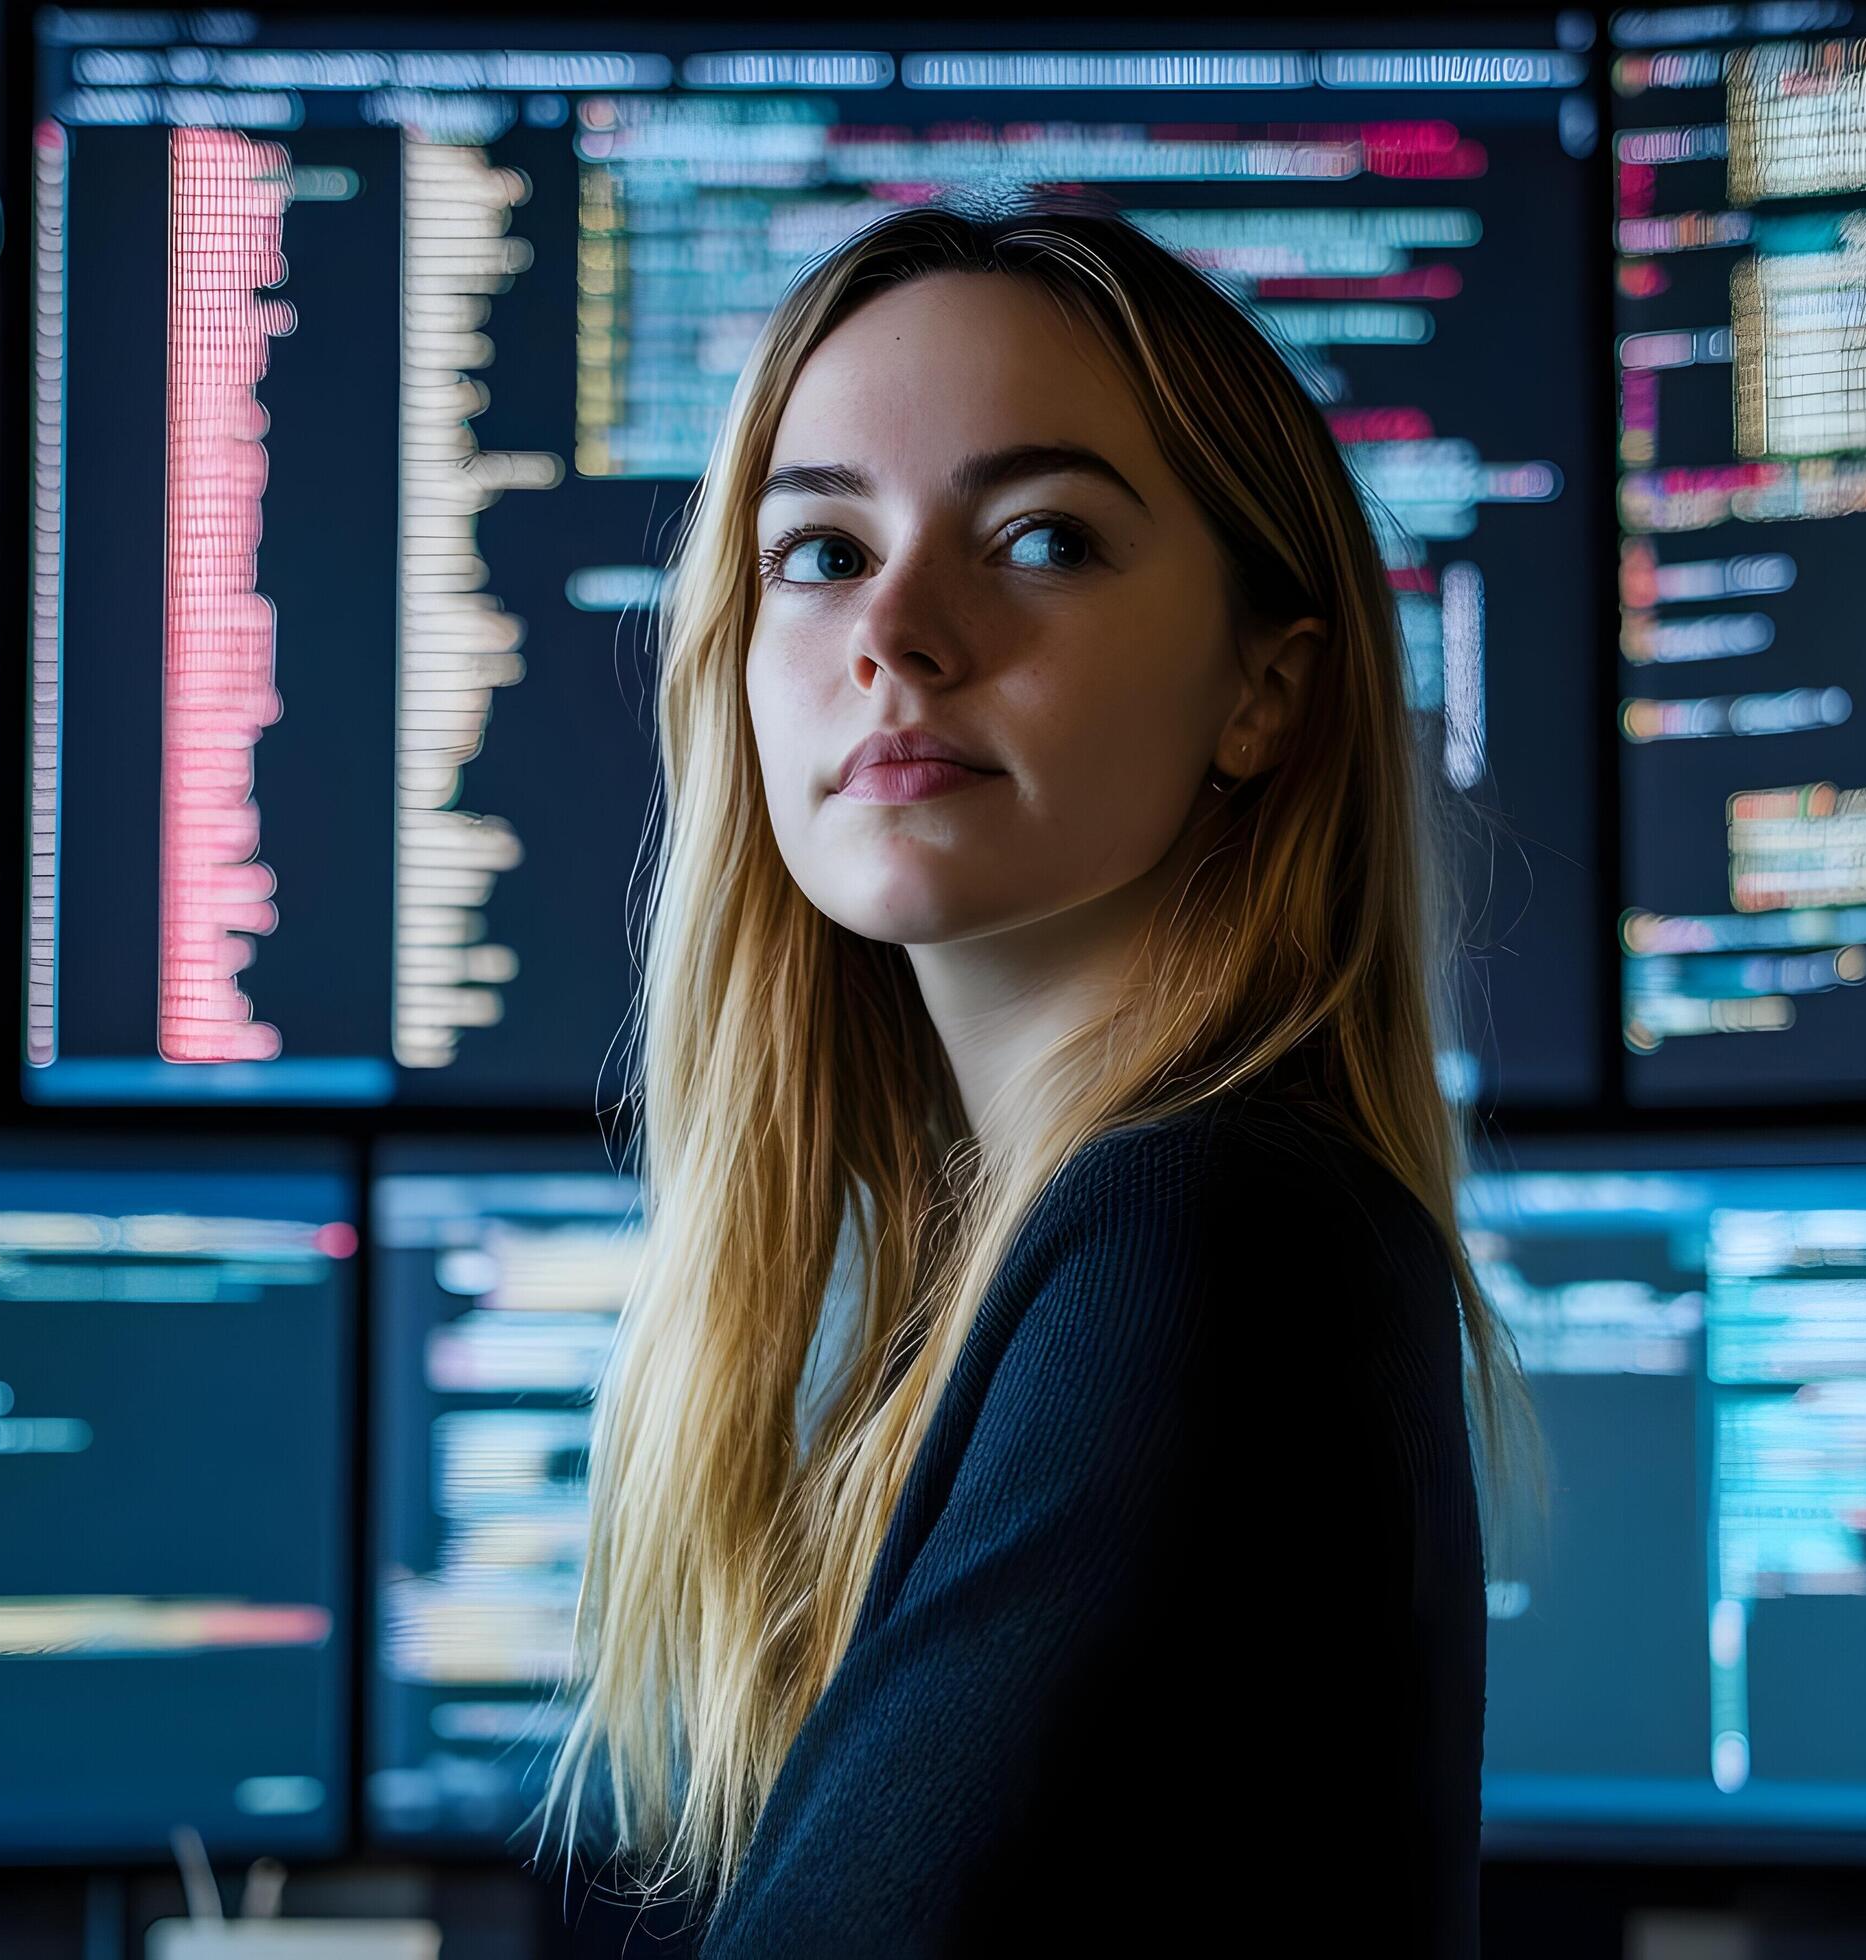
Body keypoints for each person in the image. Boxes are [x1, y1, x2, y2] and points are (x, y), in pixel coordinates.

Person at [545, 200, 1533, 1958]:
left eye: (1044, 539)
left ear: (1266, 692)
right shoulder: (1092, 1244)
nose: (899, 632)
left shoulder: (1201, 1235)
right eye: (821, 551)